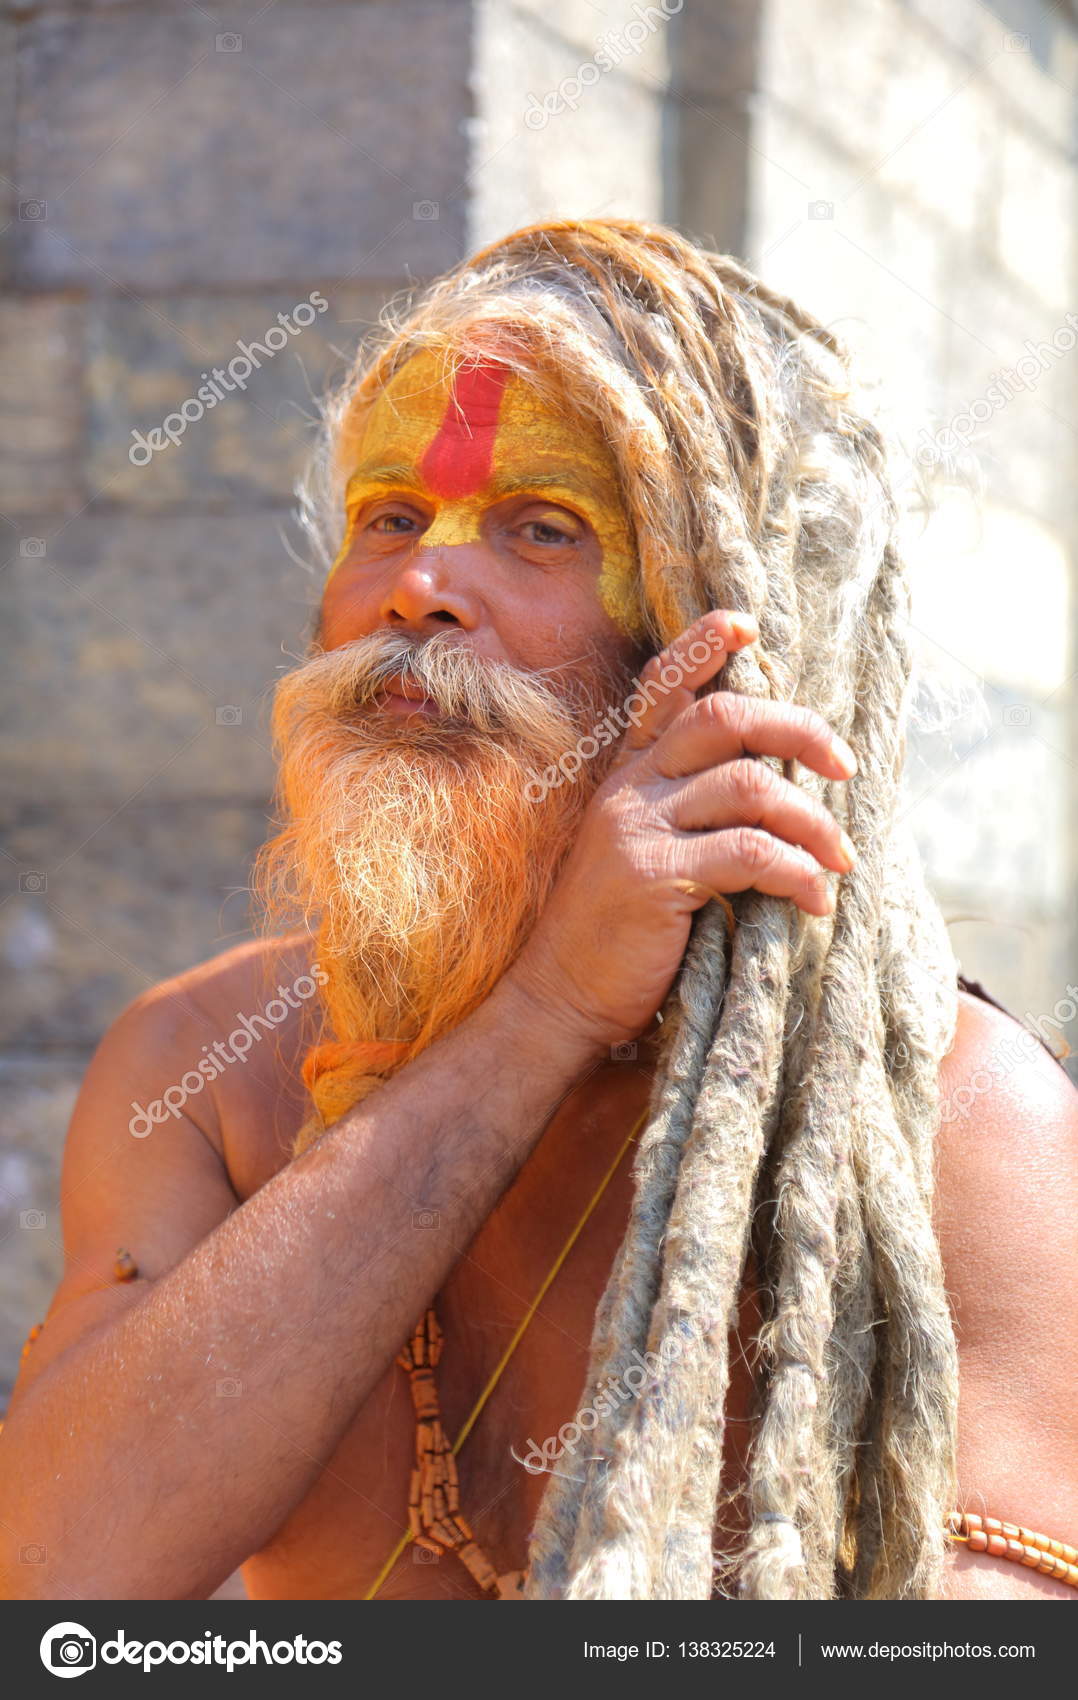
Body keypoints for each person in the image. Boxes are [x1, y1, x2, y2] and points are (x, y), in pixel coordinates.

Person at [1, 218, 1075, 1603]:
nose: (418, 587)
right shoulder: (201, 1067)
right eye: (391, 516)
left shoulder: (960, 1120)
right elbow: (56, 1591)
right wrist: (539, 1017)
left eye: (543, 529)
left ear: (724, 631)